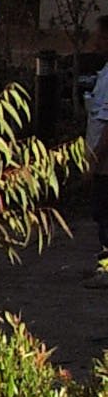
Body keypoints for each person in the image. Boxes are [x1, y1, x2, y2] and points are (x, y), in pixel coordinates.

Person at [86, 17, 108, 286]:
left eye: (101, 36)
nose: (96, 42)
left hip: (105, 162)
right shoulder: (103, 73)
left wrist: (94, 160)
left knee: (105, 214)